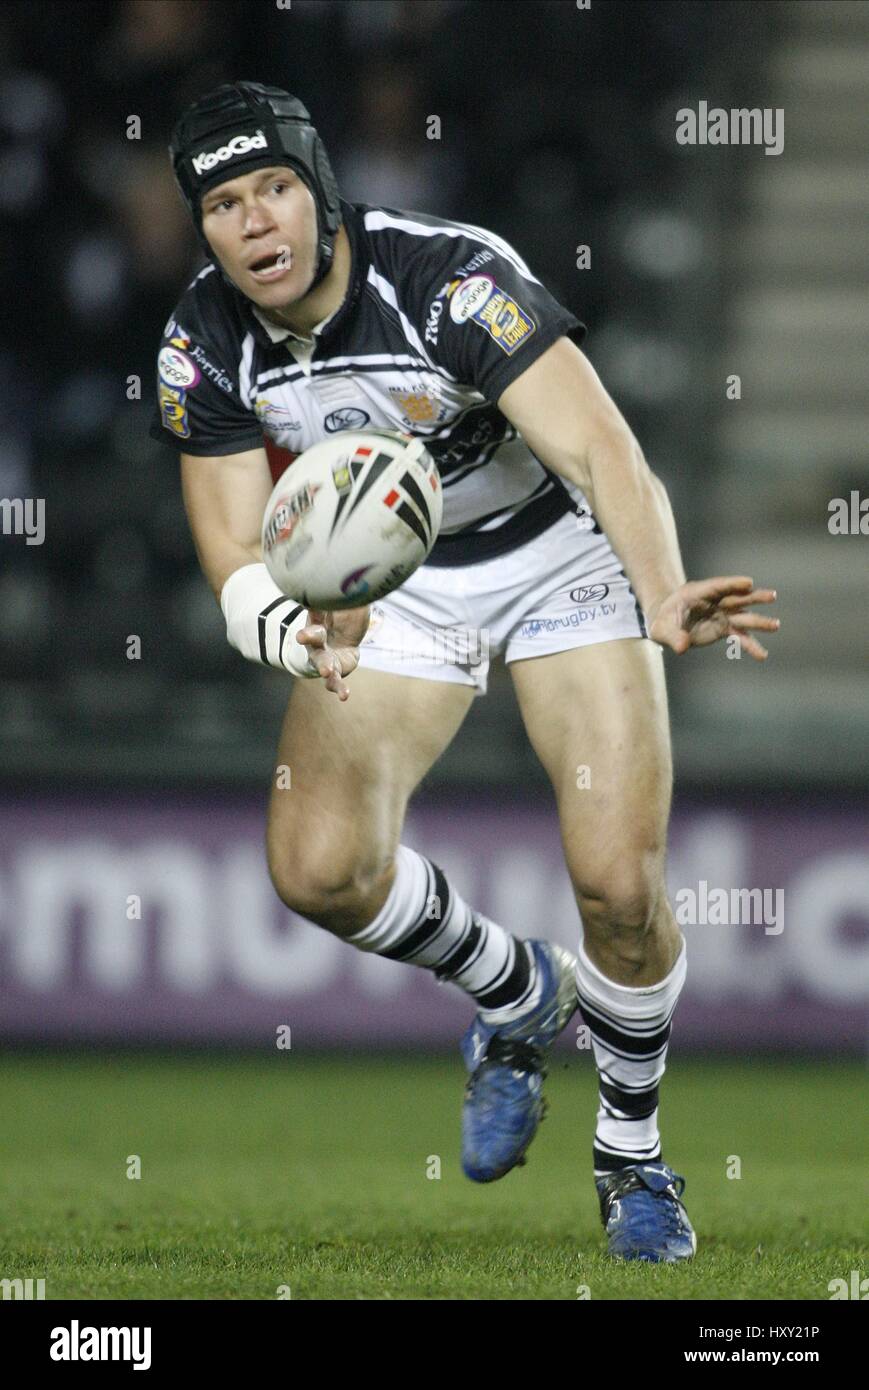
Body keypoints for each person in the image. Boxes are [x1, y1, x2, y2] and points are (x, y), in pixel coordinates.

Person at [151, 82, 779, 1262]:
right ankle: (515, 991)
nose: (254, 222)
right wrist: (295, 632)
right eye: (224, 204)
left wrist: (656, 589)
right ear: (204, 228)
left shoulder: (448, 278)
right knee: (317, 867)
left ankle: (631, 1158)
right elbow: (232, 551)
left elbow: (599, 448)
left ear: (321, 192)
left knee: (618, 888)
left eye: (274, 186)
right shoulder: (202, 338)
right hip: (399, 582)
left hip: (558, 559)